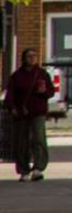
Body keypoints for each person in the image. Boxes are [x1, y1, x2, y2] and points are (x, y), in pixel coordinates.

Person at [5, 50, 56, 181]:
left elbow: (51, 91)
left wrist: (44, 92)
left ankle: (38, 168)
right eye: (29, 56)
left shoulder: (42, 74)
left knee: (38, 139)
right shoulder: (17, 76)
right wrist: (12, 108)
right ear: (24, 58)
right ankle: (23, 170)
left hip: (38, 111)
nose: (32, 58)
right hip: (21, 113)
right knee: (22, 142)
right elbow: (10, 95)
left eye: (34, 56)